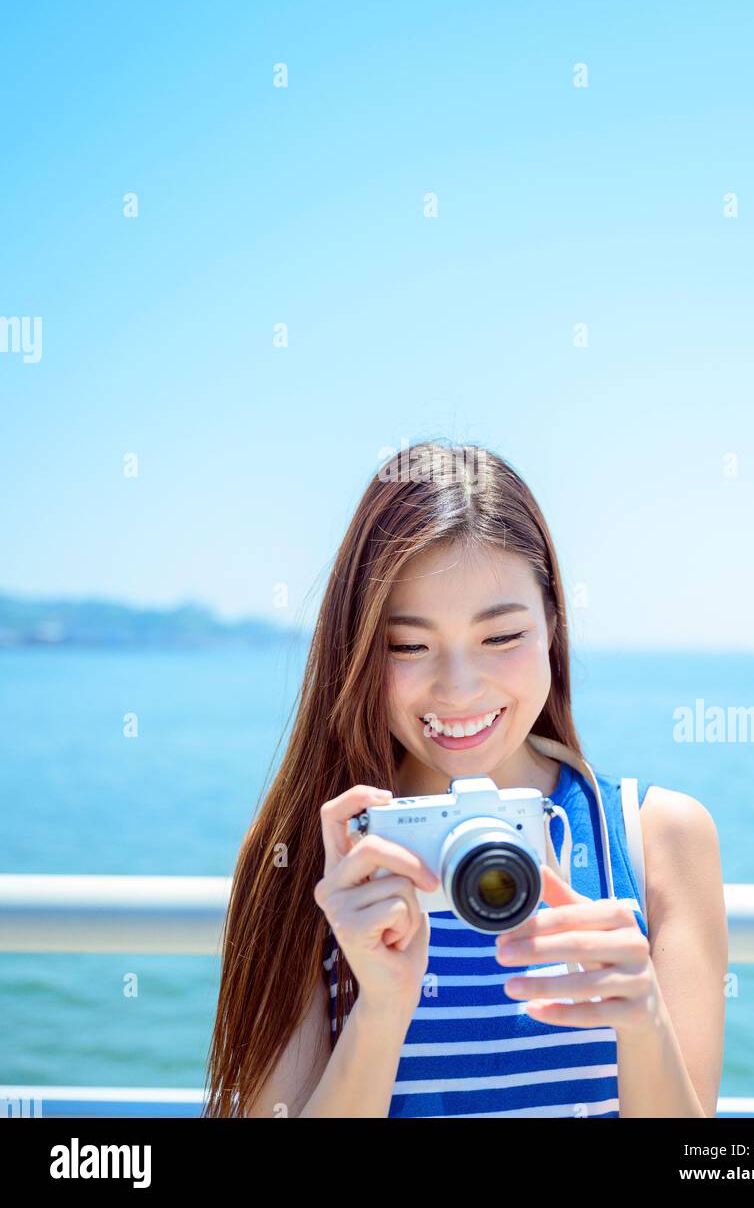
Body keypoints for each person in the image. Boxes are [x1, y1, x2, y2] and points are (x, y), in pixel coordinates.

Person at [202, 441, 727, 1118]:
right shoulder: (316, 857)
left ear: (552, 626)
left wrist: (643, 1020)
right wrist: (381, 1010)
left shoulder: (655, 838)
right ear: (359, 649)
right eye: (409, 645)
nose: (458, 689)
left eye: (501, 636)